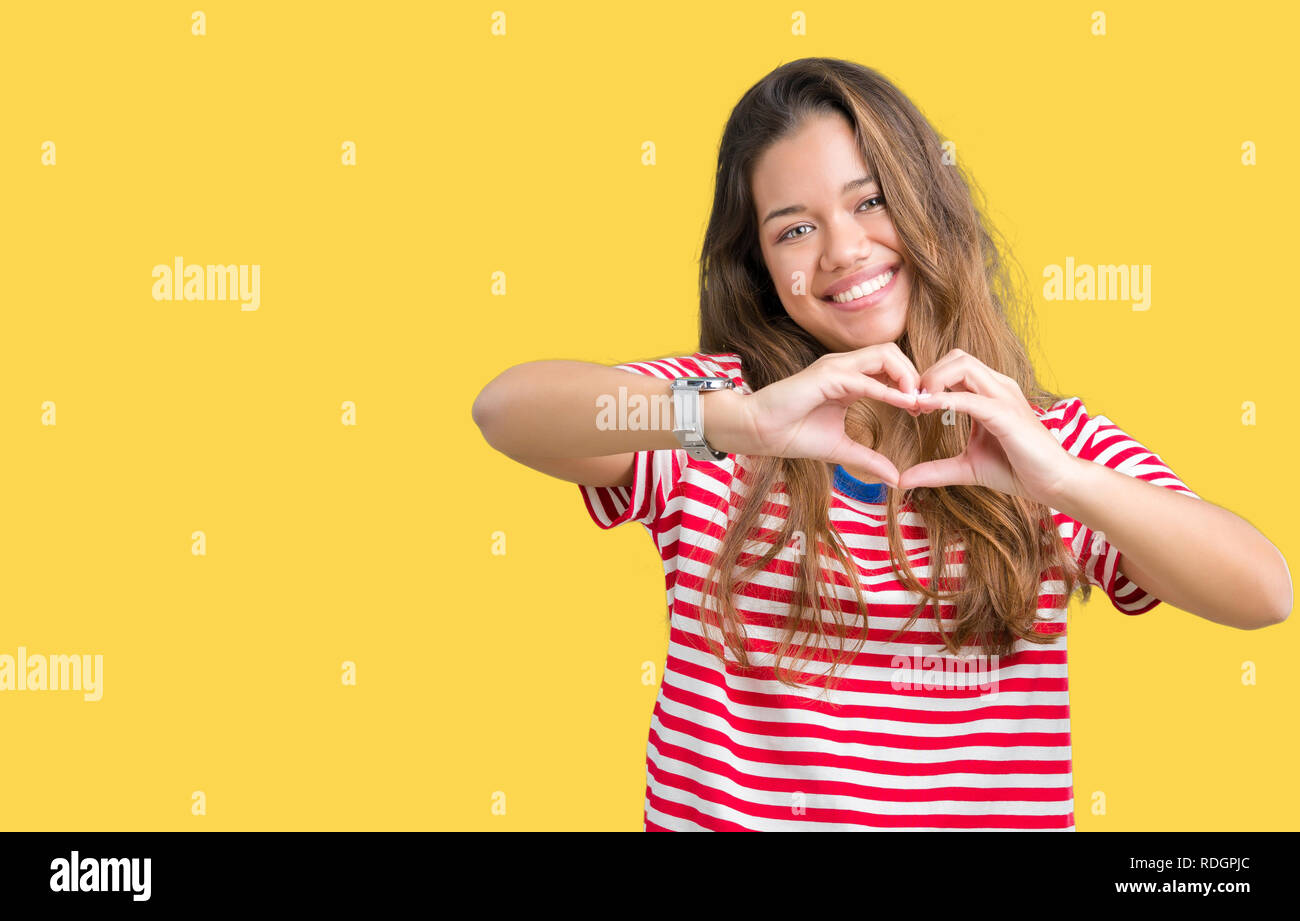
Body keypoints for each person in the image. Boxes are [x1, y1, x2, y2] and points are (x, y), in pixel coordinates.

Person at [471, 57, 1291, 831]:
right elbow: (505, 410)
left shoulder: (1043, 440)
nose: (844, 249)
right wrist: (737, 422)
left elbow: (1263, 592)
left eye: (870, 202)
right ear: (758, 264)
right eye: (794, 230)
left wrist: (1063, 479)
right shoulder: (714, 411)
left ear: (927, 203)